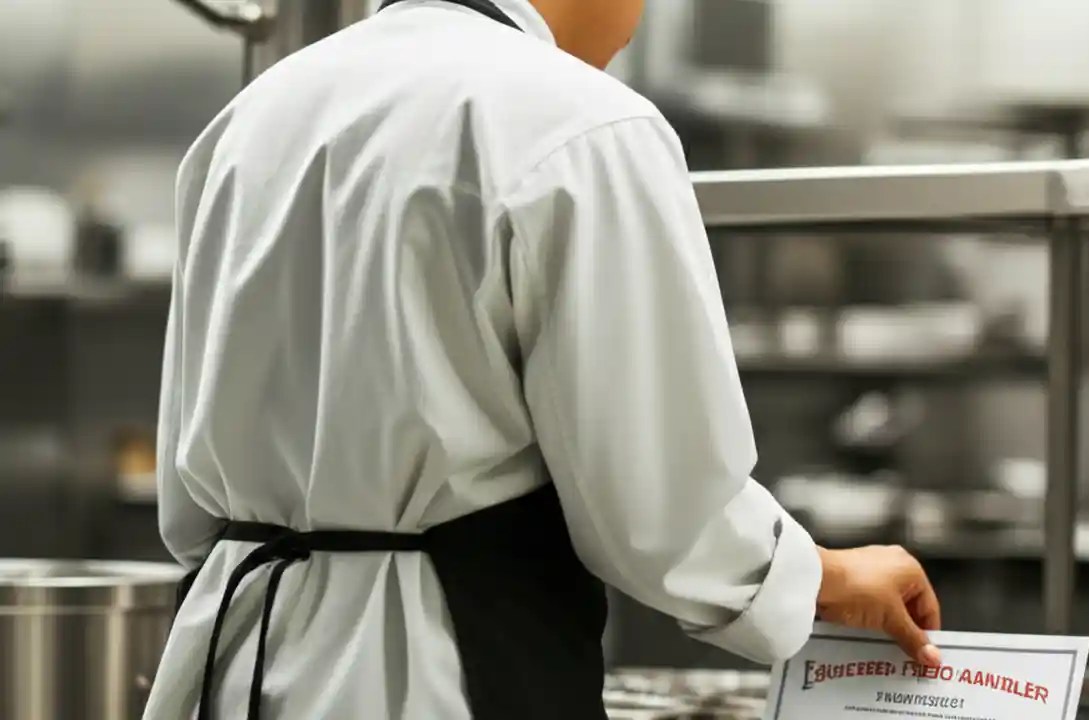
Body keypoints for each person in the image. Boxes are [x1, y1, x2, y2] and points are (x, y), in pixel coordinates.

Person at [144, 0, 943, 718]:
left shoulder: (249, 118)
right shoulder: (584, 124)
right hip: (440, 670)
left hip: (231, 650)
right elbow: (659, 510)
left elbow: (187, 509)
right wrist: (829, 580)